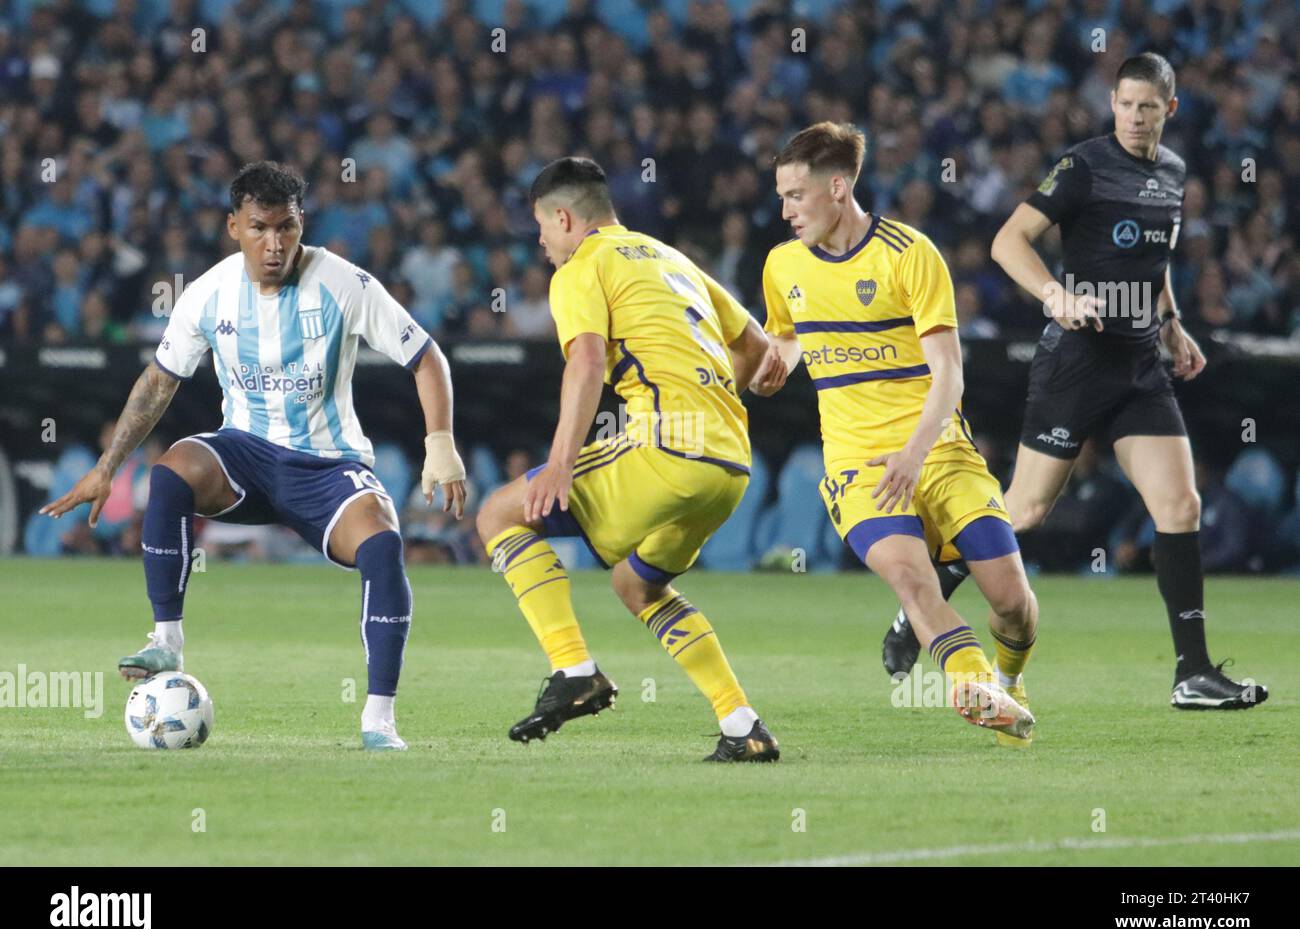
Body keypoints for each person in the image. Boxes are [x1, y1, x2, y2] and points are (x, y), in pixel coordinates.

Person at [882, 53, 1269, 711]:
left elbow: (1155, 262)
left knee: (1181, 507)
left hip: (1141, 365)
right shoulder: (1086, 166)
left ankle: (1192, 673)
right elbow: (1010, 241)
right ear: (1112, 104)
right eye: (1124, 103)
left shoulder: (1173, 174)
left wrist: (1172, 324)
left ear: (1169, 111)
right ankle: (930, 587)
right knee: (1026, 510)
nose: (1134, 116)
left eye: (1147, 106)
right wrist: (1055, 294)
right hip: (1077, 363)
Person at [40, 161, 469, 750]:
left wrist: (439, 445)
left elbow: (427, 357)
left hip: (327, 465)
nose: (276, 244)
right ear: (233, 226)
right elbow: (159, 381)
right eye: (261, 227)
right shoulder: (208, 294)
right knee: (171, 474)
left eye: (288, 228)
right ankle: (167, 639)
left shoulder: (344, 283)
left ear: (302, 224)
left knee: (384, 545)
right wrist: (107, 467)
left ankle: (378, 720)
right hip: (243, 455)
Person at [475, 157, 780, 762]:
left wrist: (561, 462)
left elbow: (585, 364)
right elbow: (759, 348)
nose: (540, 244)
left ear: (564, 217)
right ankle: (743, 725)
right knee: (635, 584)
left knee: (498, 514)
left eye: (541, 228)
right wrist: (711, 406)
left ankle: (574, 671)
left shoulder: (582, 267)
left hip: (666, 445)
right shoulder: (670, 257)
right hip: (729, 460)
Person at [750, 122, 1037, 745]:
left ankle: (1009, 685)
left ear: (837, 186)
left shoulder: (910, 254)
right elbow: (790, 336)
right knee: (912, 582)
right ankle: (974, 687)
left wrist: (913, 453)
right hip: (856, 464)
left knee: (1012, 602)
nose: (785, 211)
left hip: (938, 452)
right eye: (780, 196)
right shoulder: (782, 266)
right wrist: (776, 365)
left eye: (795, 195)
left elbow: (950, 373)